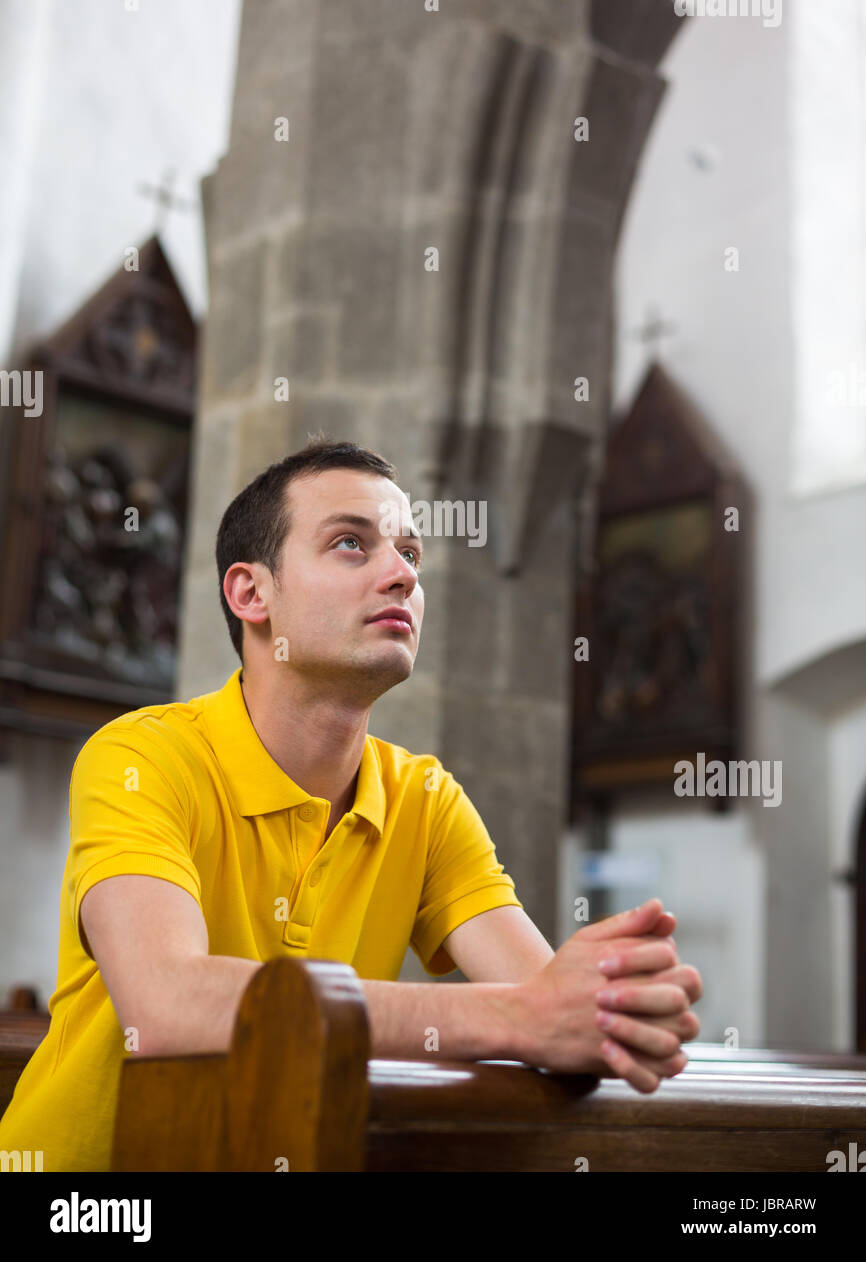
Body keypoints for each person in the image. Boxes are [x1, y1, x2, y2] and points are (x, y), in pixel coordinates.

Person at [0, 437, 701, 1171]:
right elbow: (168, 1005)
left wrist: (617, 1010)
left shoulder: (424, 799)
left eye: (410, 554)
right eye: (350, 544)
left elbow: (546, 999)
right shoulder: (142, 757)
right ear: (251, 594)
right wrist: (522, 1017)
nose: (400, 575)